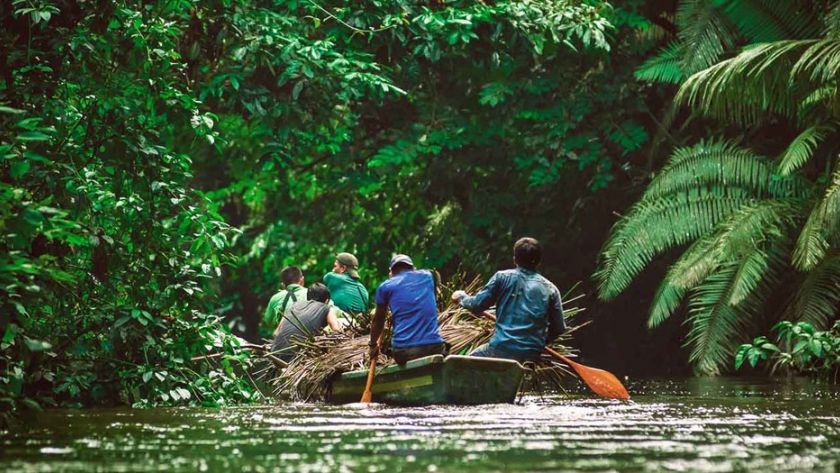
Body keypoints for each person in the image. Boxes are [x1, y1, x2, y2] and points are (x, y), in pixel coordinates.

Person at [451, 237, 565, 363]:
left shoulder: (502, 277)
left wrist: (461, 297)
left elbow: (477, 304)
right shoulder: (551, 289)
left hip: (500, 349)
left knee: (462, 365)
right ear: (539, 262)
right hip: (531, 356)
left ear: (515, 259)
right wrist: (538, 344)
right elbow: (559, 328)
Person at [369, 254, 446, 365]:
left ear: (391, 272)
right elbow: (435, 275)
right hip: (434, 347)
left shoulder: (386, 287)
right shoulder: (428, 276)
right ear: (413, 268)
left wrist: (372, 345)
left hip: (405, 351)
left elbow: (378, 320)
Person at [271, 283, 341, 363]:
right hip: (296, 357)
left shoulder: (294, 305)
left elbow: (276, 332)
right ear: (327, 300)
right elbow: (336, 330)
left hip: (275, 354)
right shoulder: (327, 308)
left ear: (308, 297)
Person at [263, 266, 308, 331]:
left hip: (284, 335)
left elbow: (268, 321)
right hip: (310, 334)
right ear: (302, 280)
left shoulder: (276, 298)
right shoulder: (311, 293)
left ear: (283, 285)